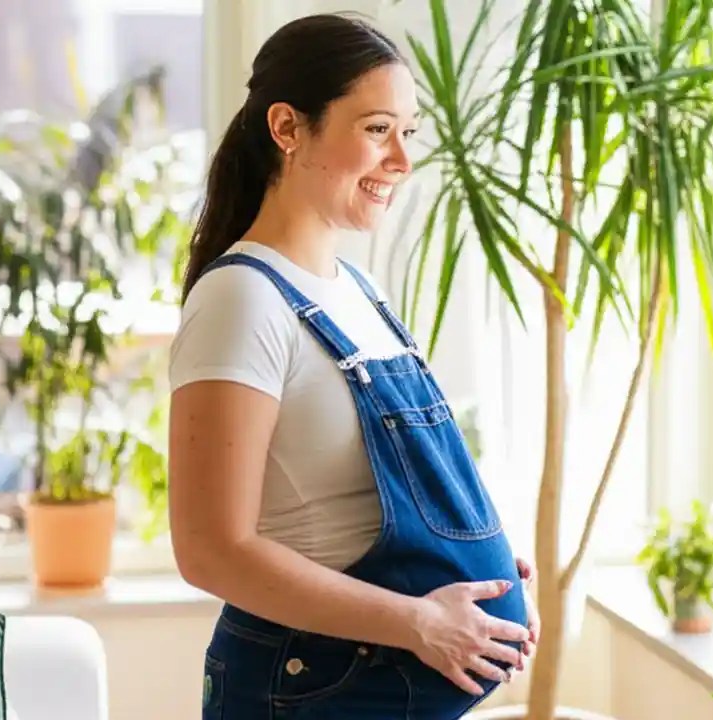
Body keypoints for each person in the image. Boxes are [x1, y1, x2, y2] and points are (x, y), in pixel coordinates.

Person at [167, 13, 539, 719]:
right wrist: (420, 621)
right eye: (376, 129)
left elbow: (362, 506)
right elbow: (210, 550)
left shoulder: (356, 291)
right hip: (309, 689)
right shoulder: (241, 298)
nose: (401, 159)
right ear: (287, 128)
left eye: (408, 132)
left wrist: (482, 577)